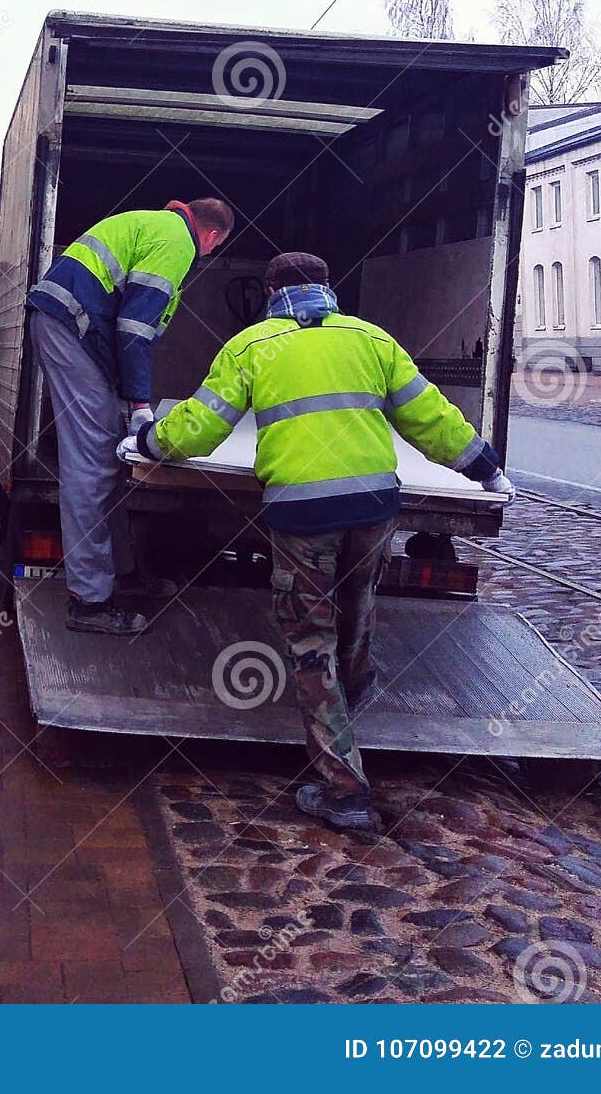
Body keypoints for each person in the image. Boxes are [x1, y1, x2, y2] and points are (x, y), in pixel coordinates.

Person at [123, 250, 515, 831]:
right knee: (357, 613)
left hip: (303, 515)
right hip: (374, 508)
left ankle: (344, 788)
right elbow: (431, 417)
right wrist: (485, 467)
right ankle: (349, 701)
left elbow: (200, 428)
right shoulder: (372, 340)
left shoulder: (252, 347)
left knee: (311, 642)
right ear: (328, 288)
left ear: (270, 293)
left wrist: (148, 442)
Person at [27, 198, 235, 635]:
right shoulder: (178, 242)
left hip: (73, 327)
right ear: (213, 235)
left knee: (110, 461)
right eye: (215, 247)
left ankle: (123, 572)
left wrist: (130, 398)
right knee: (91, 466)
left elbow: (127, 324)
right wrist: (139, 404)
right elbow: (135, 329)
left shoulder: (155, 227)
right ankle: (89, 602)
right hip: (73, 328)